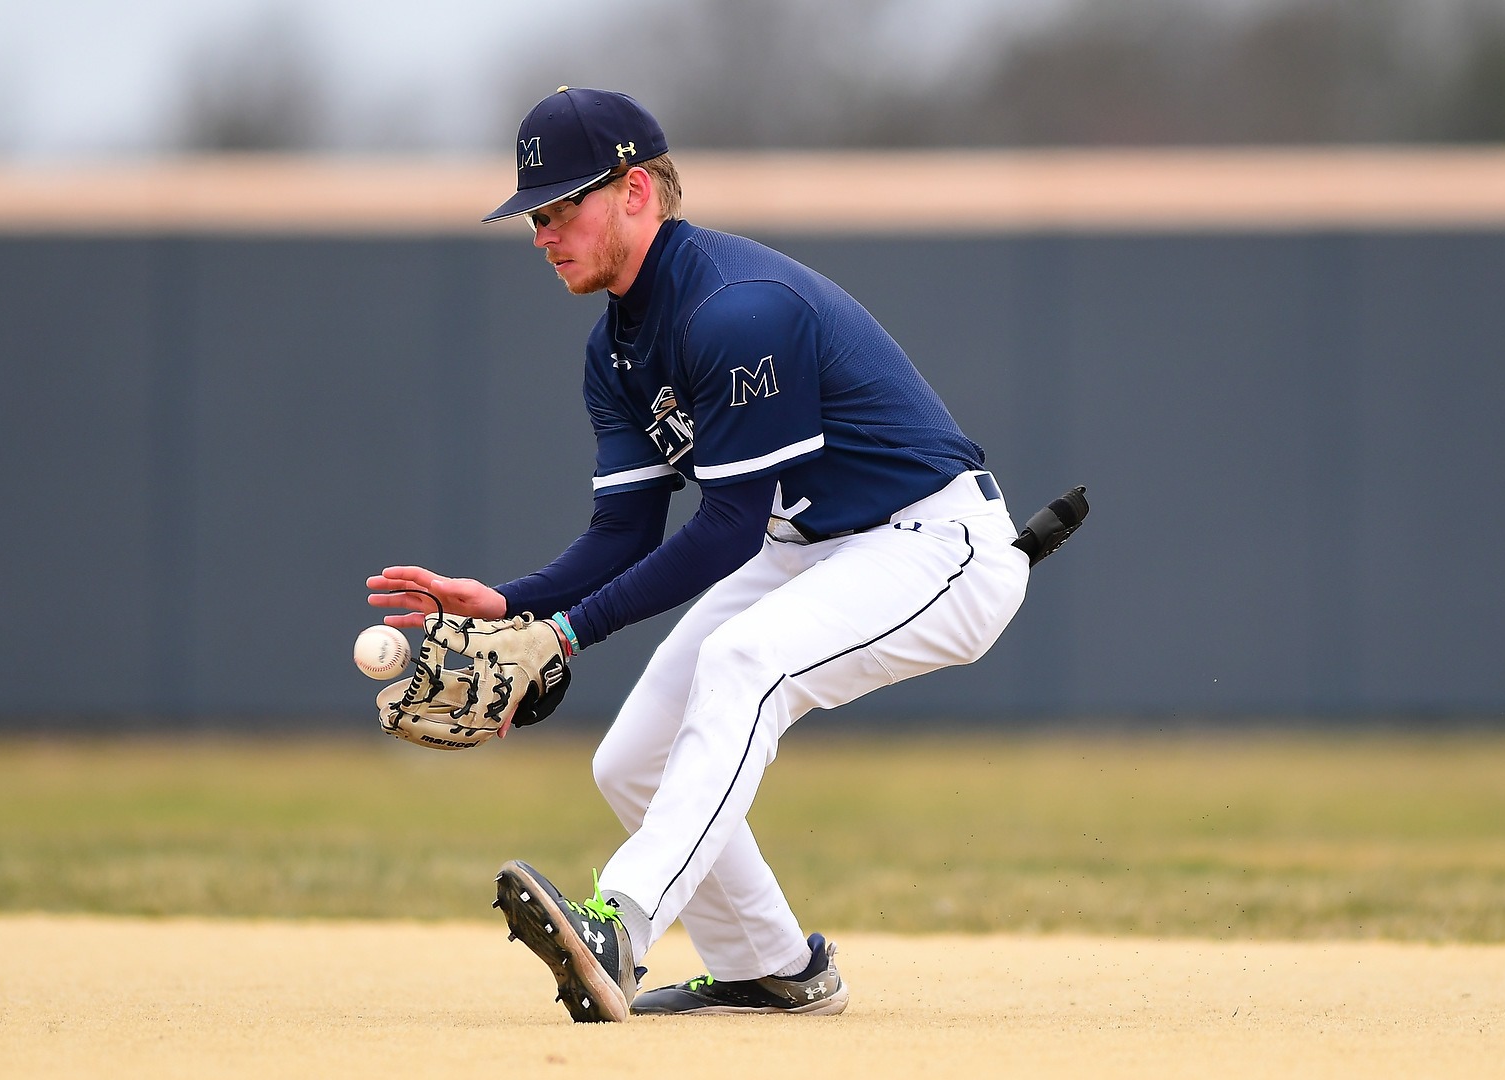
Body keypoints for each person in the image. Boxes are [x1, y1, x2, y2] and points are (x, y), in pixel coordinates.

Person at [367, 87, 1030, 1022]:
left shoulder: (734, 309)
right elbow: (627, 531)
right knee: (630, 761)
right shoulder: (615, 351)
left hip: (937, 545)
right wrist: (512, 609)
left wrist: (561, 637)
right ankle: (770, 964)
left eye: (560, 208)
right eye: (532, 214)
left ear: (635, 190)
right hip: (813, 547)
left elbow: (724, 530)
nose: (541, 232)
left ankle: (622, 925)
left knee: (743, 662)